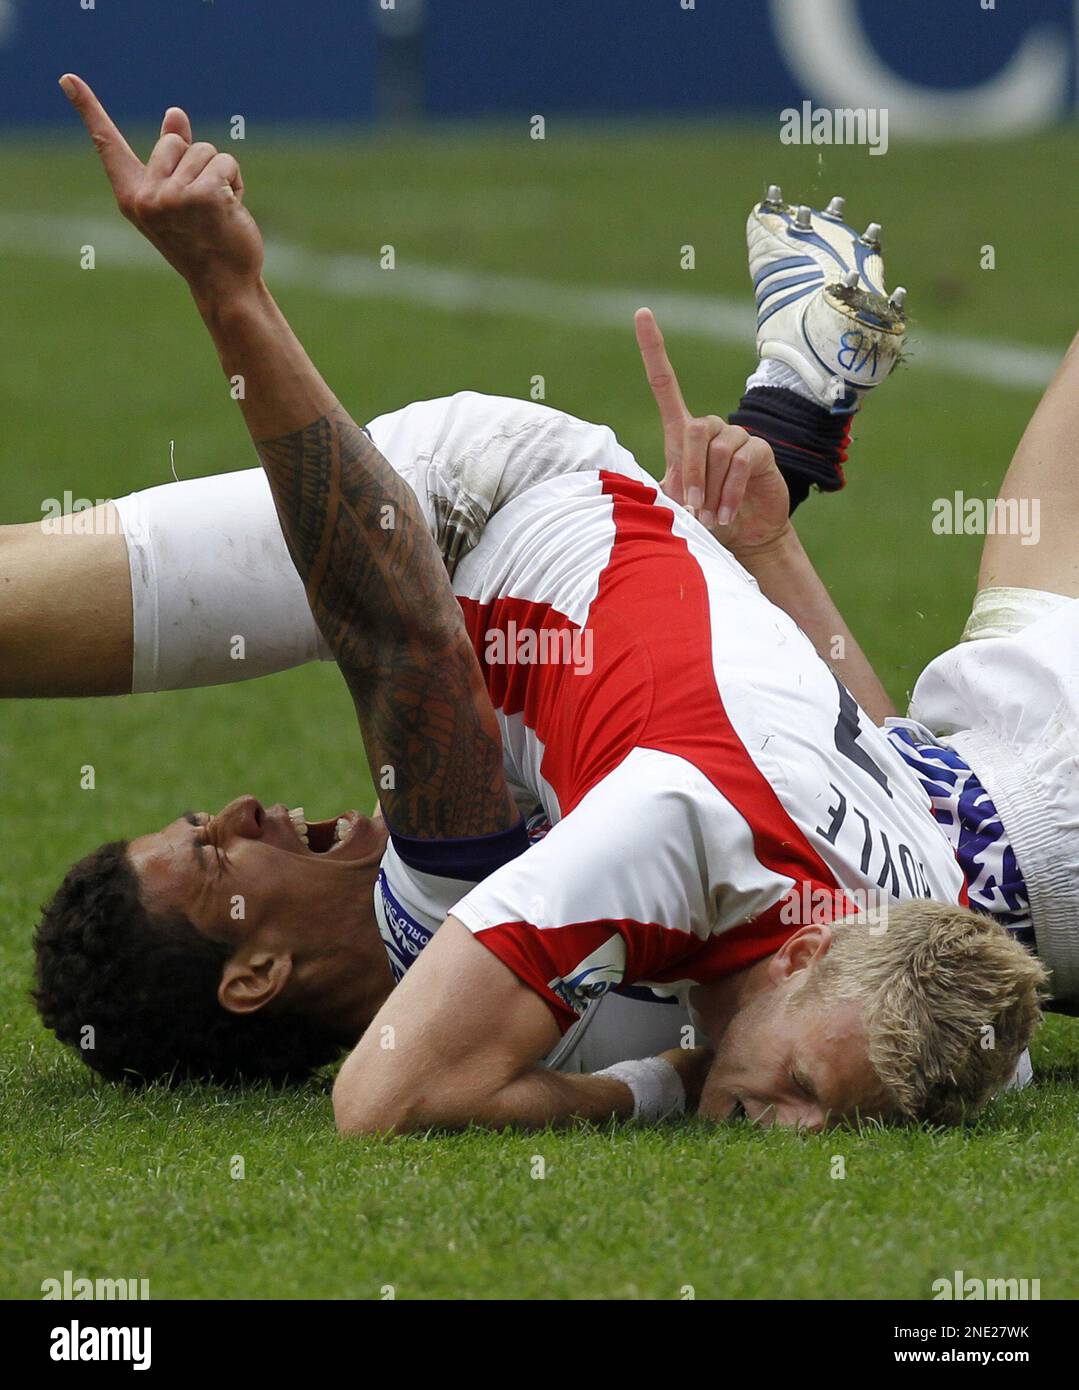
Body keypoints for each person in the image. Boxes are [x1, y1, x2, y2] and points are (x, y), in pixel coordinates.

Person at [21, 77, 1043, 1130]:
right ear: (256, 973)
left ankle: (786, 416)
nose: (238, 804)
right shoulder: (880, 982)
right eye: (212, 850)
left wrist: (230, 293)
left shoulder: (471, 910)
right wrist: (228, 292)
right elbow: (399, 632)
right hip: (515, 541)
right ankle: (786, 415)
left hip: (465, 512)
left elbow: (402, 621)